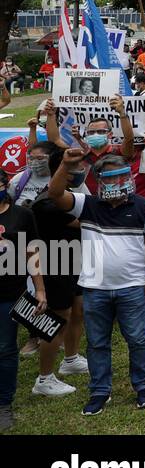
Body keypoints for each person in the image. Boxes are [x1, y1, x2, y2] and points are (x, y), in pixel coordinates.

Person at [47, 148, 145, 415]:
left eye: (119, 177)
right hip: (95, 287)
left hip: (132, 286)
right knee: (97, 342)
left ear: (128, 177)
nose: (115, 182)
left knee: (138, 339)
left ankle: (144, 388)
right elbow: (54, 194)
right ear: (99, 181)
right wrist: (65, 165)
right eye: (108, 178)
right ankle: (99, 391)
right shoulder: (87, 204)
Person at [30, 143, 91, 398]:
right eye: (76, 167)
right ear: (62, 171)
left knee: (77, 309)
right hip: (55, 265)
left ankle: (71, 359)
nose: (82, 171)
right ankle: (44, 379)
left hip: (75, 261)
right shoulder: (47, 203)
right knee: (56, 320)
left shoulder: (68, 195)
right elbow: (87, 221)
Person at [0, 164, 47, 430]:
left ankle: (3, 403)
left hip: (10, 293)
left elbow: (33, 253)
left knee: (6, 348)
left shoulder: (22, 216)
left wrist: (39, 289)